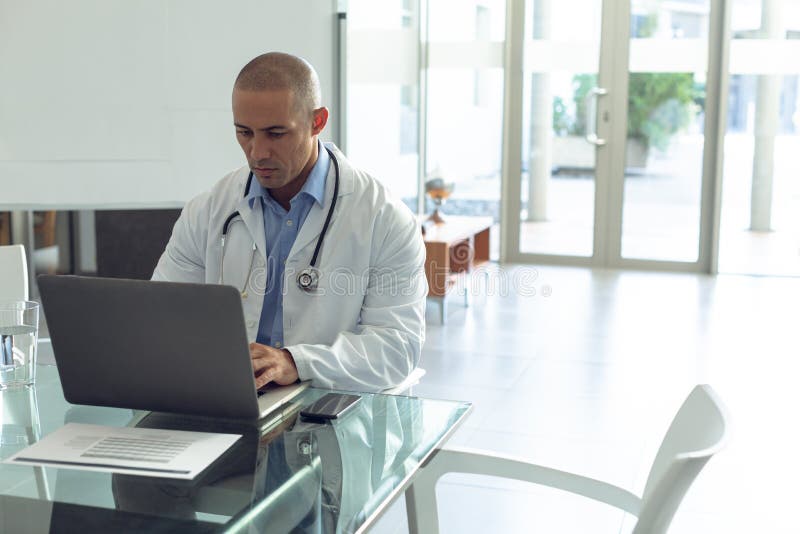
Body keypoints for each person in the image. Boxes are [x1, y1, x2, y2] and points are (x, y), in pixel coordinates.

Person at [153, 52, 427, 392]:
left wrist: (295, 362)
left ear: (318, 121)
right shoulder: (208, 211)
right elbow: (161, 319)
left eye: (276, 133)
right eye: (244, 133)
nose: (257, 152)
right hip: (224, 398)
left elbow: (398, 348)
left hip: (326, 407)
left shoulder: (384, 218)